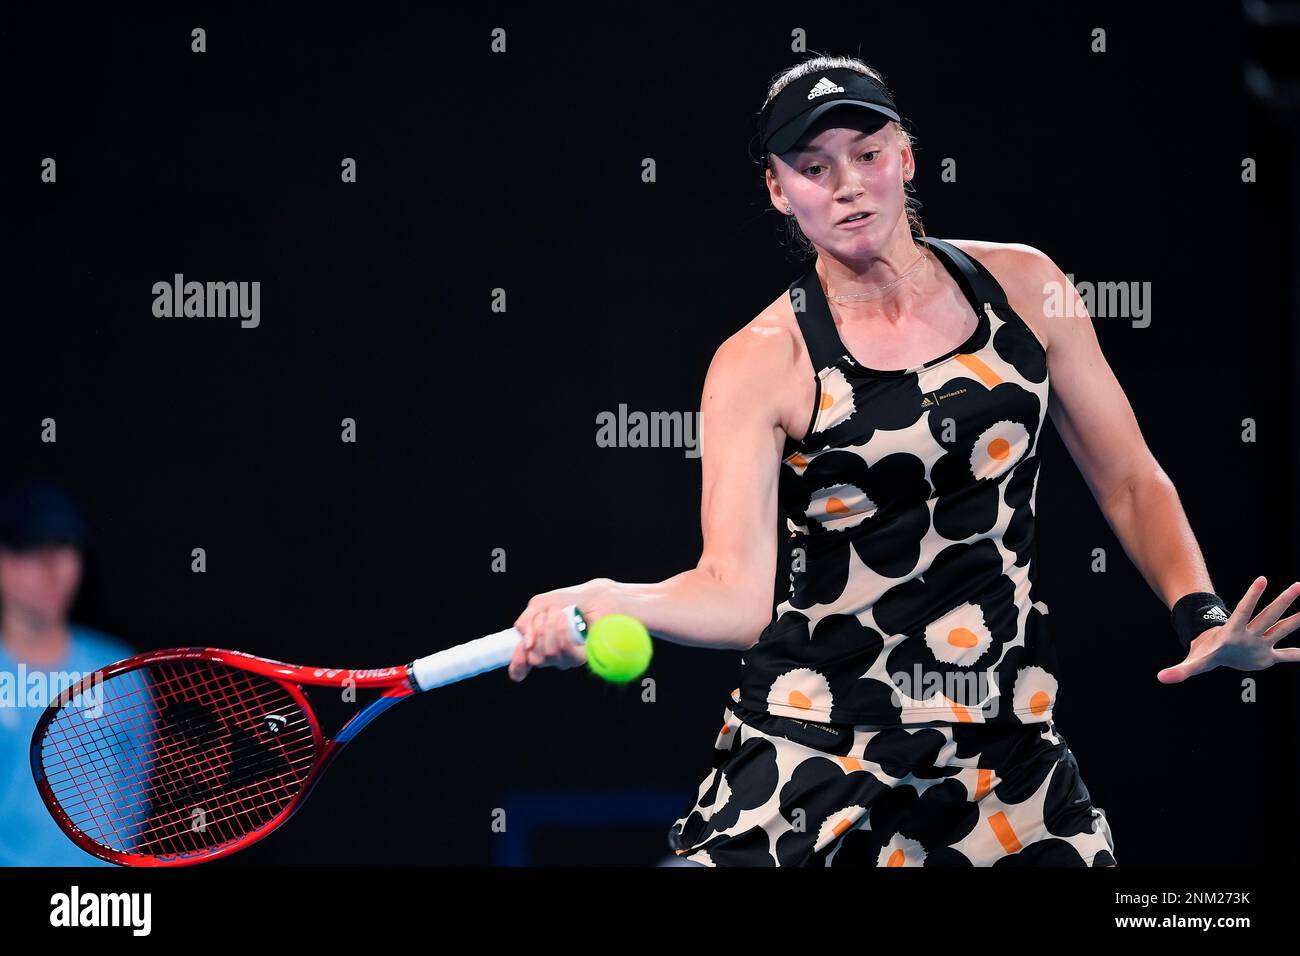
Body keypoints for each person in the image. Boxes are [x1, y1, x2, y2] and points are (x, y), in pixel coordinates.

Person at [503, 54, 1300, 866]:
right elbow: (733, 594)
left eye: (868, 154)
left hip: (1007, 757)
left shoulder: (1027, 286)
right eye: (814, 167)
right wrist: (613, 598)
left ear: (907, 158)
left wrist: (1198, 613)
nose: (847, 184)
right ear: (780, 192)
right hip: (815, 747)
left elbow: (1131, 480)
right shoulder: (759, 361)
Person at [0, 479, 134, 865]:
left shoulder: (123, 671)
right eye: (34, 549)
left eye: (66, 548)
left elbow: (135, 794)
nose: (55, 568)